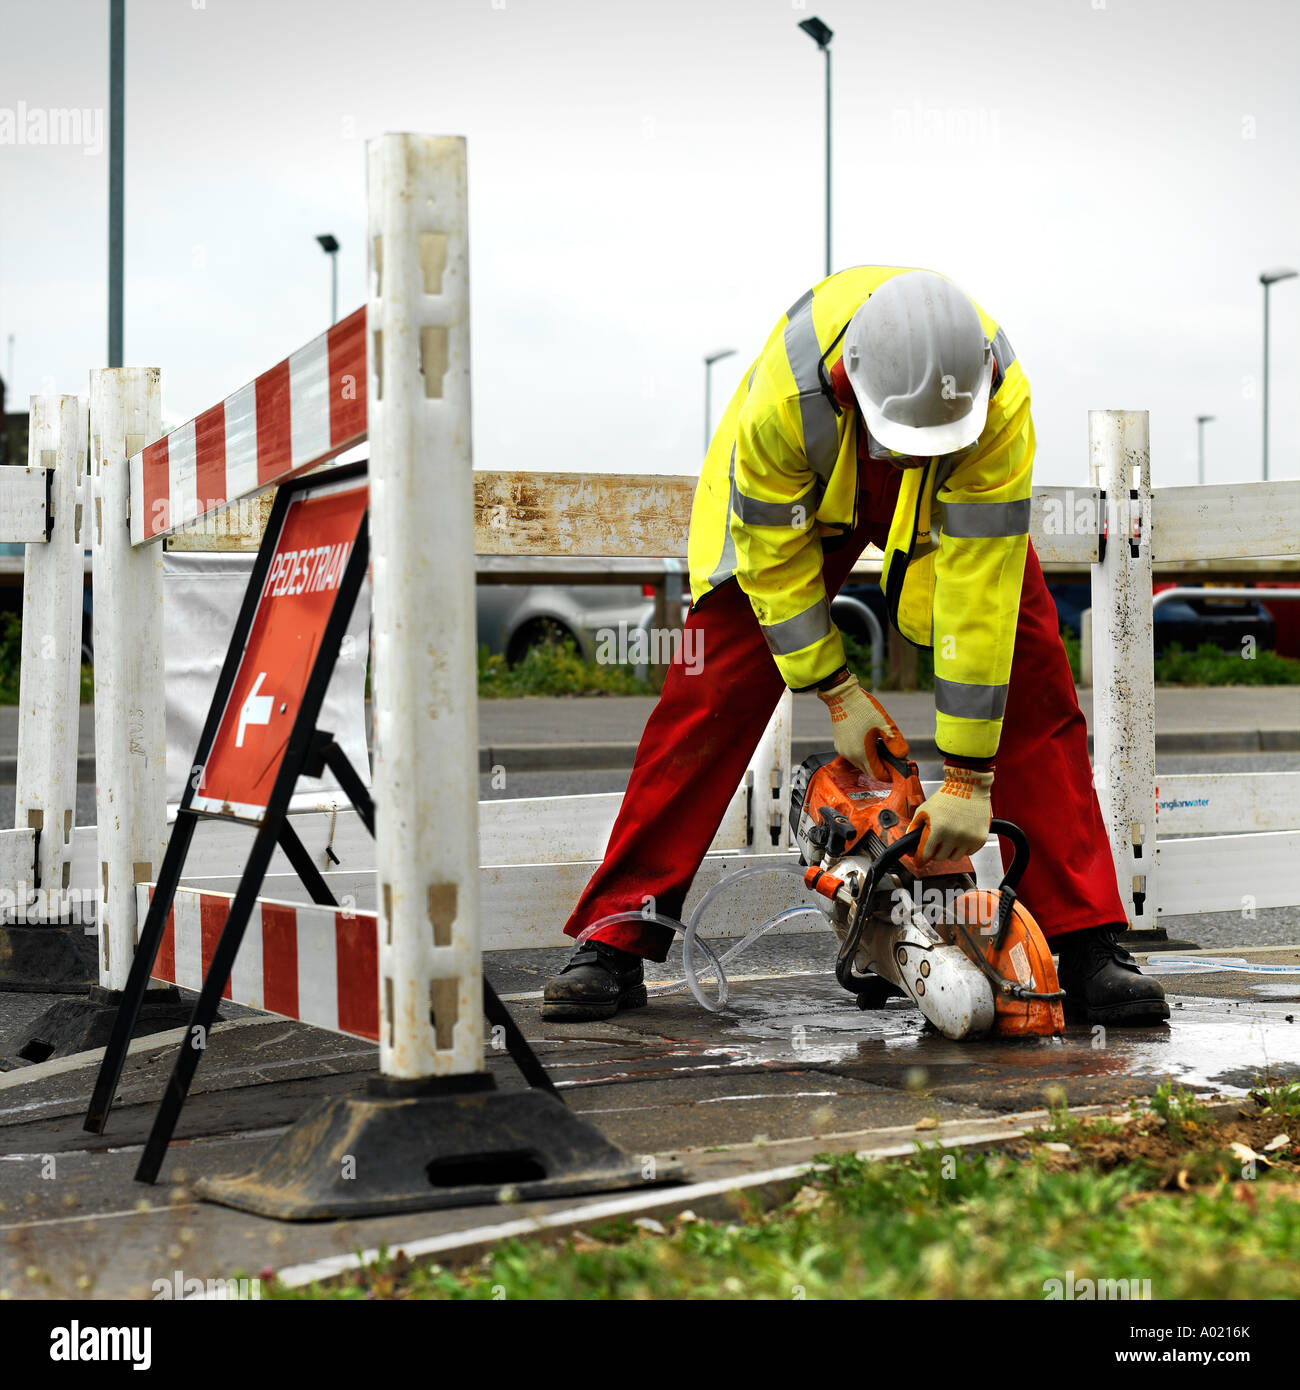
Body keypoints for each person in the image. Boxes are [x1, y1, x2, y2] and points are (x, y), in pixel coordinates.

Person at [541, 267, 1168, 1028]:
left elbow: (981, 599)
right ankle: (617, 935)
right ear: (845, 385)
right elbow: (771, 557)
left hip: (951, 486)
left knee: (1029, 670)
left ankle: (1086, 938)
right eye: (897, 445)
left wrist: (968, 780)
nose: (901, 459)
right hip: (801, 493)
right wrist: (836, 690)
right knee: (710, 694)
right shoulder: (784, 404)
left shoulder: (996, 400)